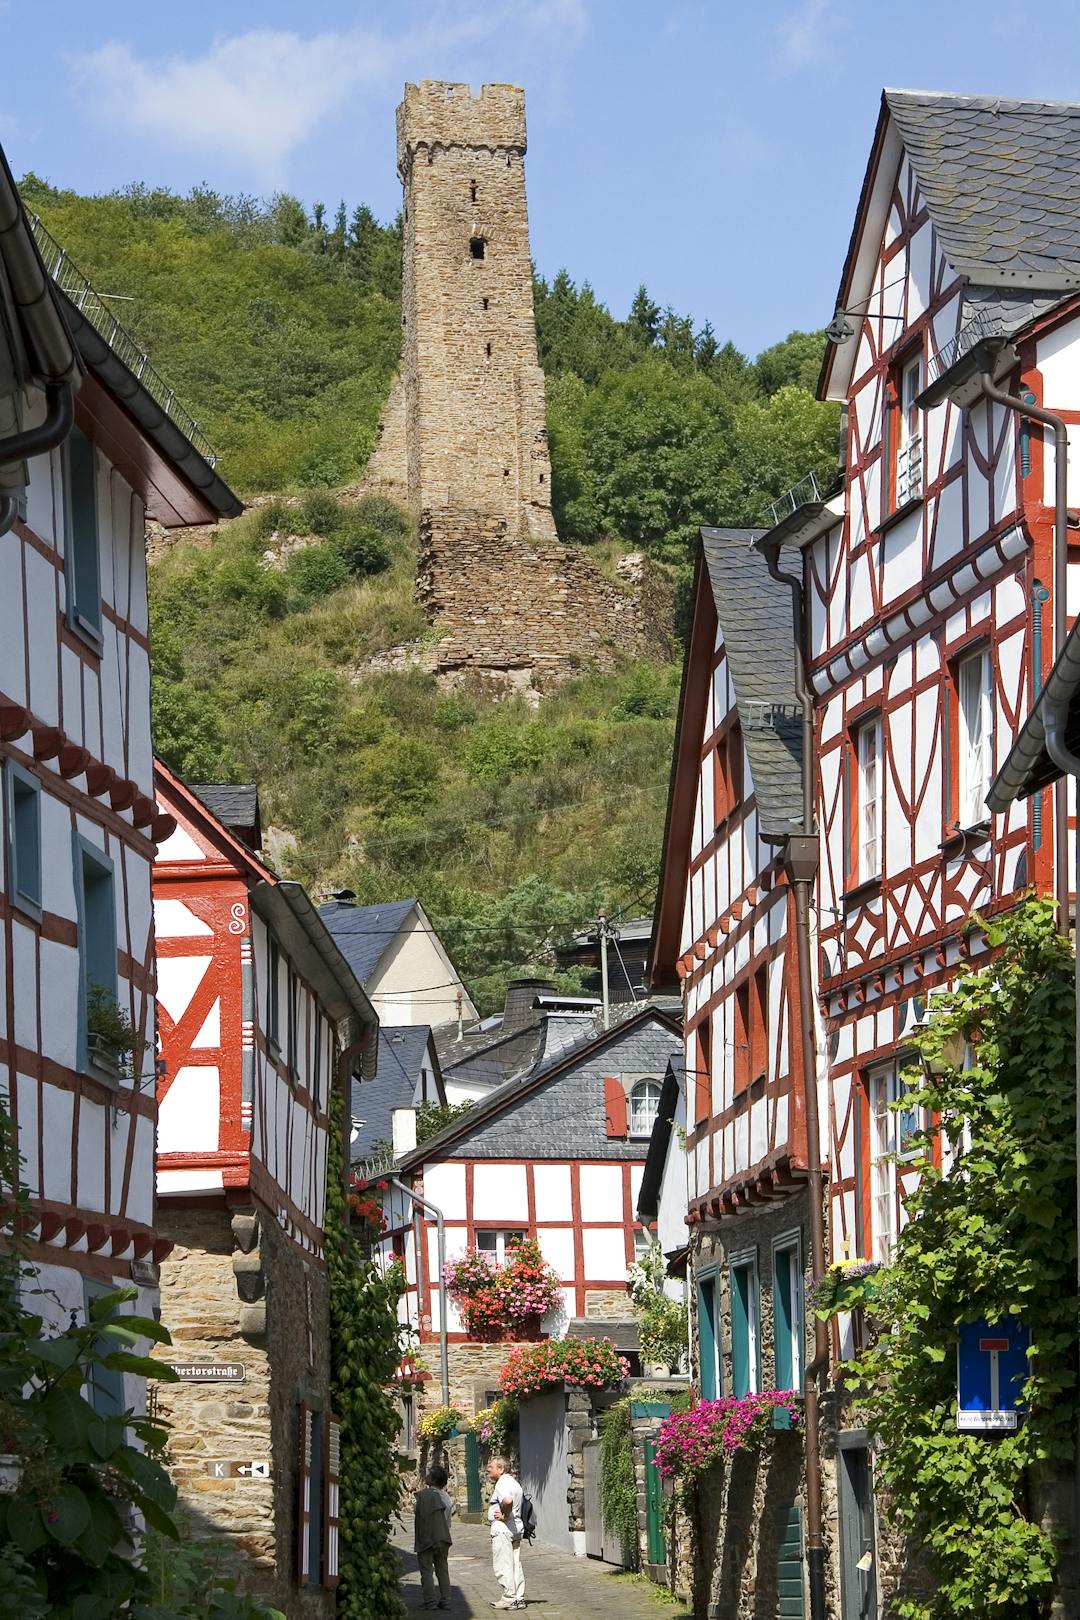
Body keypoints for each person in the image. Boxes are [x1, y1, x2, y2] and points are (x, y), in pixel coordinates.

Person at [486, 1454, 526, 1611]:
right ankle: (519, 1598)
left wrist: (504, 1515)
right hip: (516, 1528)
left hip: (503, 1529)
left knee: (504, 1565)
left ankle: (509, 1598)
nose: (488, 1469)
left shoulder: (502, 1483)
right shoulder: (514, 1483)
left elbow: (507, 1501)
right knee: (515, 1564)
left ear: (501, 1469)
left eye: (491, 1466)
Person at [414, 1463, 454, 1611]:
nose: (426, 1476)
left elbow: (420, 1516)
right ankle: (446, 1600)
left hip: (428, 1537)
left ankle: (430, 1601)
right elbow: (448, 1519)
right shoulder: (446, 1497)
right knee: (442, 1570)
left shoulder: (425, 1495)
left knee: (426, 1570)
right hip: (443, 1536)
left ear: (434, 1479)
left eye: (429, 1474)